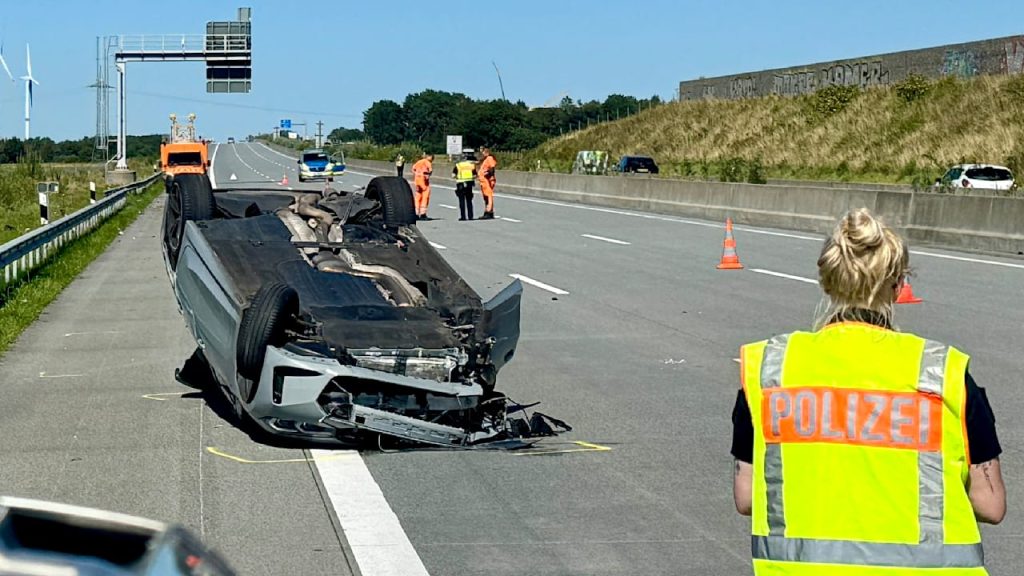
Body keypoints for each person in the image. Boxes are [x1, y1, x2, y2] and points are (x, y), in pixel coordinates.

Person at [732, 208, 1004, 575]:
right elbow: (990, 505)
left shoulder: (770, 369)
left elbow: (748, 496)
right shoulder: (943, 372)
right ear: (898, 284)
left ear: (826, 281)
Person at [452, 150, 477, 221]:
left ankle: (463, 216)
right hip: (469, 184)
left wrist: (458, 177)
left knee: (462, 201)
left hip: (460, 184)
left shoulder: (458, 165)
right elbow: (475, 175)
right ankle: (470, 216)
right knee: (469, 200)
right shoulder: (471, 165)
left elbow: (453, 175)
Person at [411, 153, 433, 220]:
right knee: (425, 196)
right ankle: (423, 214)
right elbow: (430, 170)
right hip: (424, 182)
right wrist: (427, 175)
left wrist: (417, 174)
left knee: (418, 197)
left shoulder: (419, 162)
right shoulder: (427, 162)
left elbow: (413, 169)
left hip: (417, 181)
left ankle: (416, 213)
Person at [477, 147, 497, 220]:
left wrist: (488, 175)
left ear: (487, 152)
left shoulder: (490, 158)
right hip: (483, 180)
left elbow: (492, 168)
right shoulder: (485, 159)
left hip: (487, 180)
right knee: (485, 196)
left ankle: (489, 212)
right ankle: (487, 210)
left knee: (488, 196)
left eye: (483, 152)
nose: (482, 153)